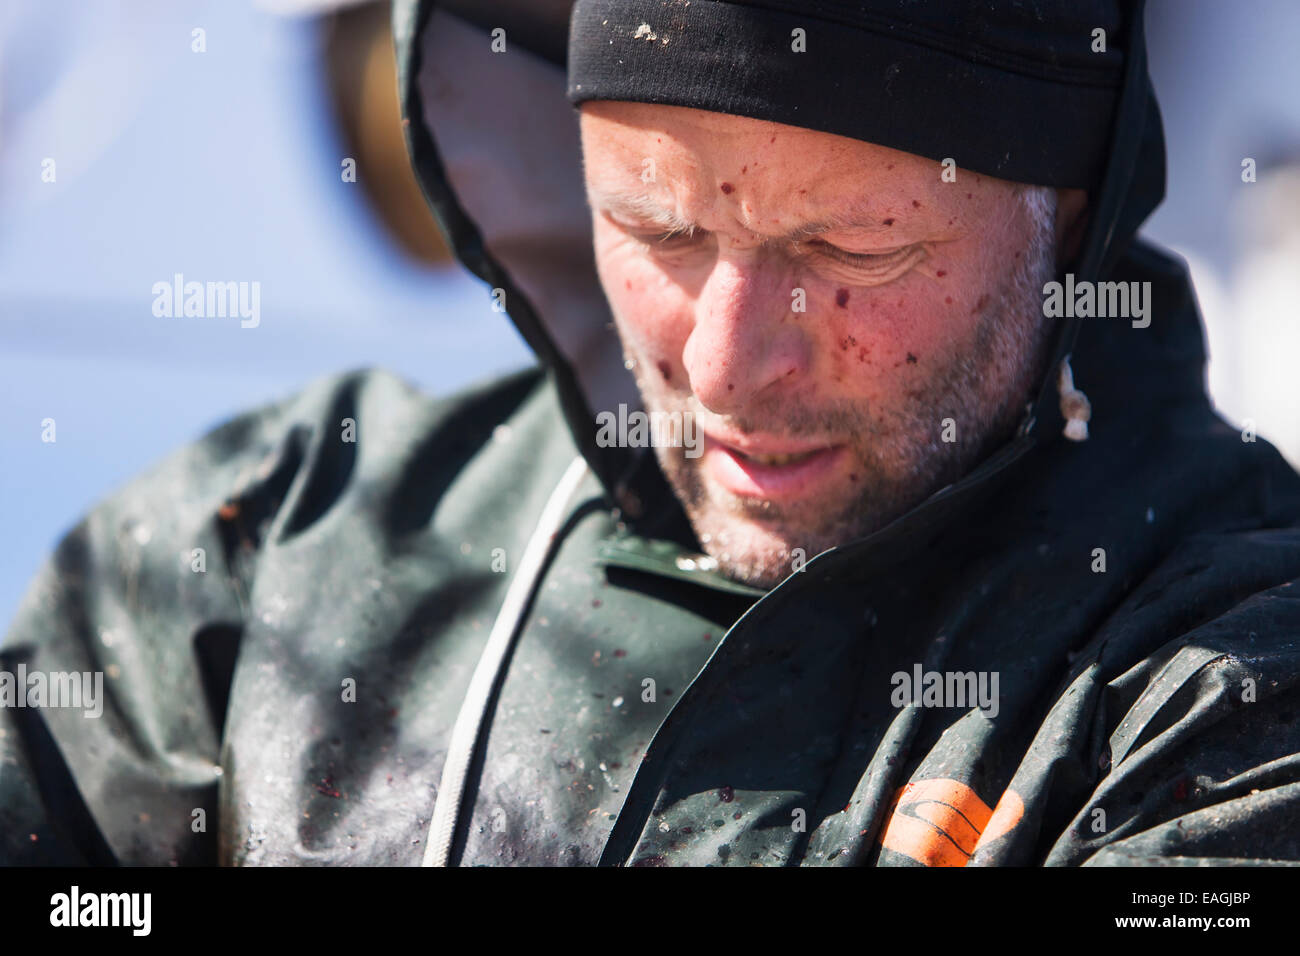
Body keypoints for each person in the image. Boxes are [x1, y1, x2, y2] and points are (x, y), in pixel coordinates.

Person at [3, 0, 1299, 867]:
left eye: (848, 247)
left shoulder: (1226, 689)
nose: (728, 363)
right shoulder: (274, 541)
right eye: (658, 231)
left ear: (1065, 216)